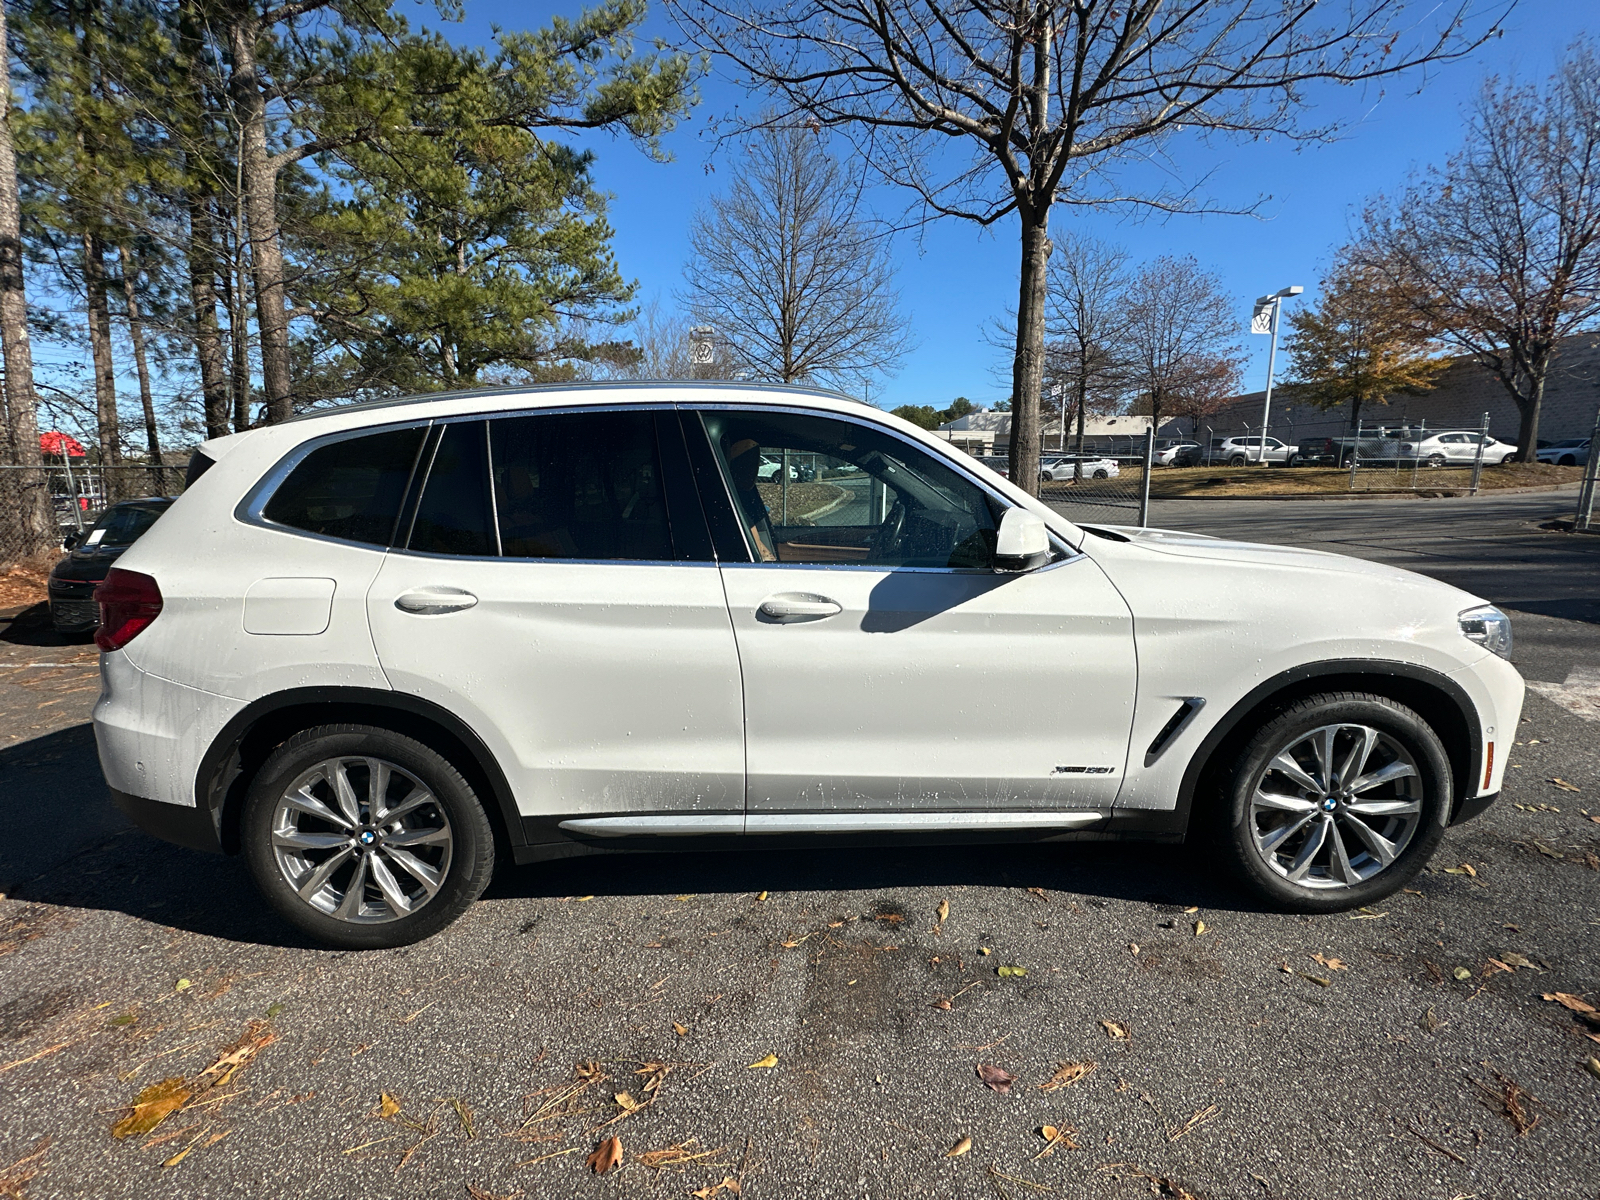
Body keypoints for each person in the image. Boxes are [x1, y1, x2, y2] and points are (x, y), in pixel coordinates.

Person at [724, 436, 778, 562]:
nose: (753, 471)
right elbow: (763, 556)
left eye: (755, 464)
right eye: (746, 464)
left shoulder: (745, 498)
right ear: (732, 465)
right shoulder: (732, 505)